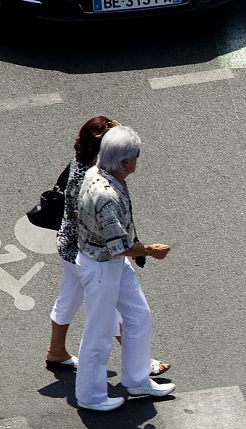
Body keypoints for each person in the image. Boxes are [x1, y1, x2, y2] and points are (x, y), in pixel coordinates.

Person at [44, 115, 169, 378]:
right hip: (90, 251)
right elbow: (107, 228)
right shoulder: (95, 178)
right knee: (113, 306)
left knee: (68, 299)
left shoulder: (81, 167)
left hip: (68, 245)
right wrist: (139, 249)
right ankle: (140, 364)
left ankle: (57, 351)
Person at [73, 125, 174, 411]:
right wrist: (151, 250)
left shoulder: (98, 172)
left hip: (110, 261)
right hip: (103, 266)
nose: (137, 162)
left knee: (139, 316)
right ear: (126, 162)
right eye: (136, 157)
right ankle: (91, 396)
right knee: (99, 332)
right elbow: (119, 247)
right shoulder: (106, 196)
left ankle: (138, 378)